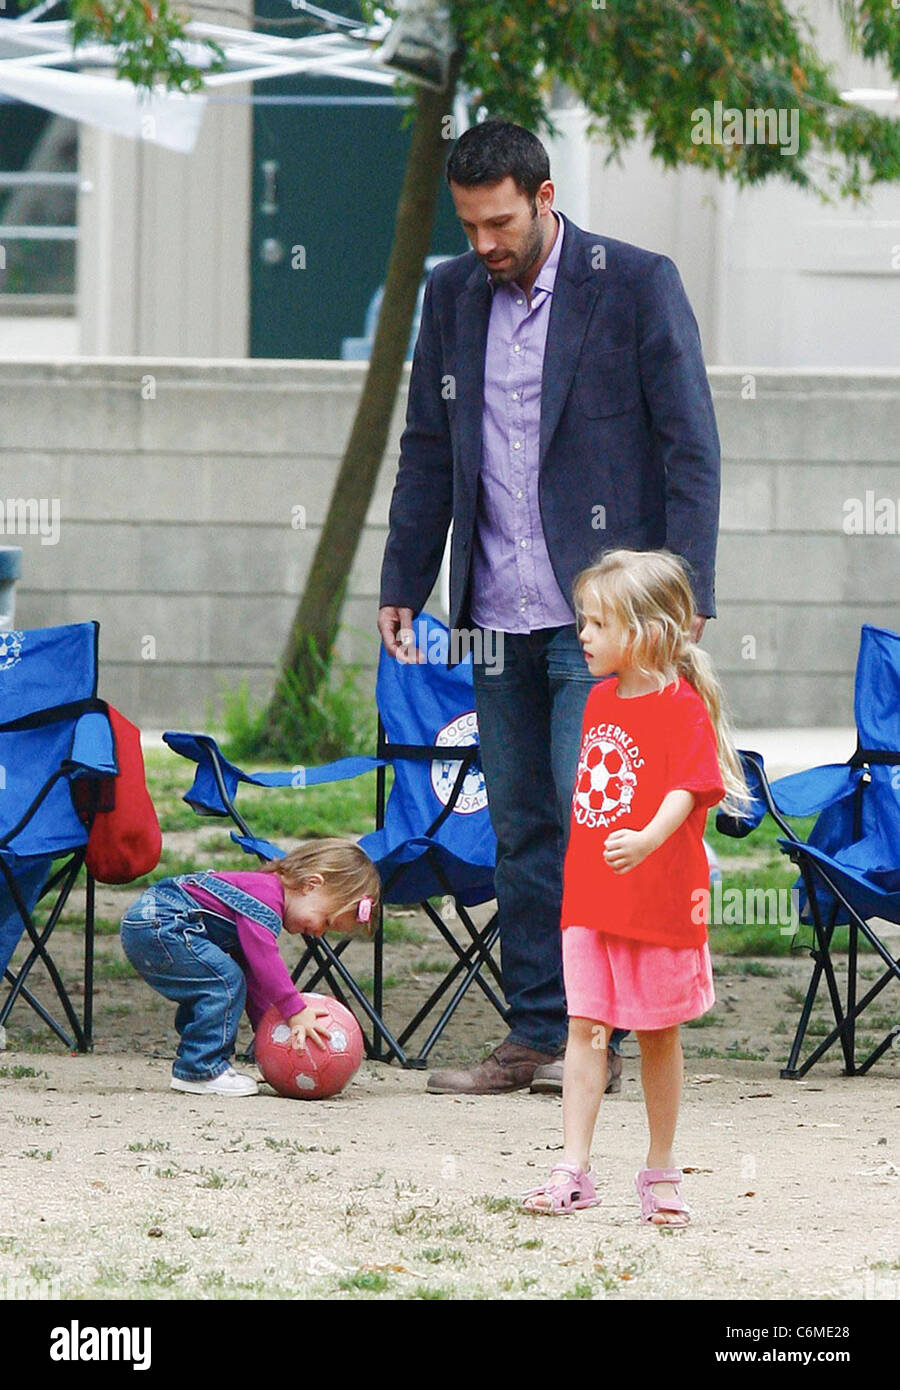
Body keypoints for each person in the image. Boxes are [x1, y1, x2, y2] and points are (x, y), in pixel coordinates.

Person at [378, 119, 720, 1096]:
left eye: (499, 223)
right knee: (520, 828)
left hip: (603, 622)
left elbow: (692, 445)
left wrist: (685, 587)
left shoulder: (635, 283)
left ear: (543, 196)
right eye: (469, 225)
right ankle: (533, 1031)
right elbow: (427, 449)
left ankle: (596, 1033)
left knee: (591, 819)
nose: (484, 244)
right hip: (492, 609)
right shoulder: (449, 296)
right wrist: (405, 580)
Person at [521, 550, 749, 1223]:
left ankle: (660, 1169)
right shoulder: (595, 699)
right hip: (590, 899)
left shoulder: (680, 706)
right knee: (585, 1029)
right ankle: (574, 1167)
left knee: (657, 1035)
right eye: (582, 621)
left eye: (595, 623)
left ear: (644, 631)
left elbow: (689, 787)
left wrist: (649, 839)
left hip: (658, 904)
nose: (582, 635)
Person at [120, 840, 380, 1096]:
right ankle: (201, 1070)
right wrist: (294, 1010)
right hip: (163, 924)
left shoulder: (263, 893)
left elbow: (254, 974)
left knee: (213, 983)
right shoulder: (265, 897)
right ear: (310, 885)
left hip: (151, 925)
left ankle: (197, 1060)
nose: (320, 934)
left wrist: (268, 1029)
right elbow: (264, 958)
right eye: (326, 921)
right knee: (223, 981)